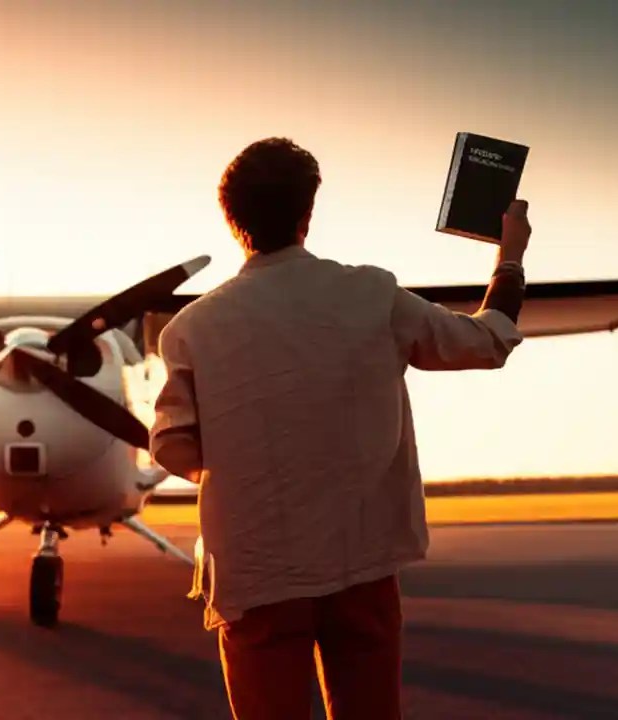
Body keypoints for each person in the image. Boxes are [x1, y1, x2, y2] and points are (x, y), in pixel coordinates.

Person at [149, 137, 530, 719]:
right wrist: (509, 258)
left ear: (232, 221)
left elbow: (174, 447)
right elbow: (489, 340)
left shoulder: (188, 330)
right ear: (307, 213)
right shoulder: (372, 293)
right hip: (363, 565)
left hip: (256, 574)